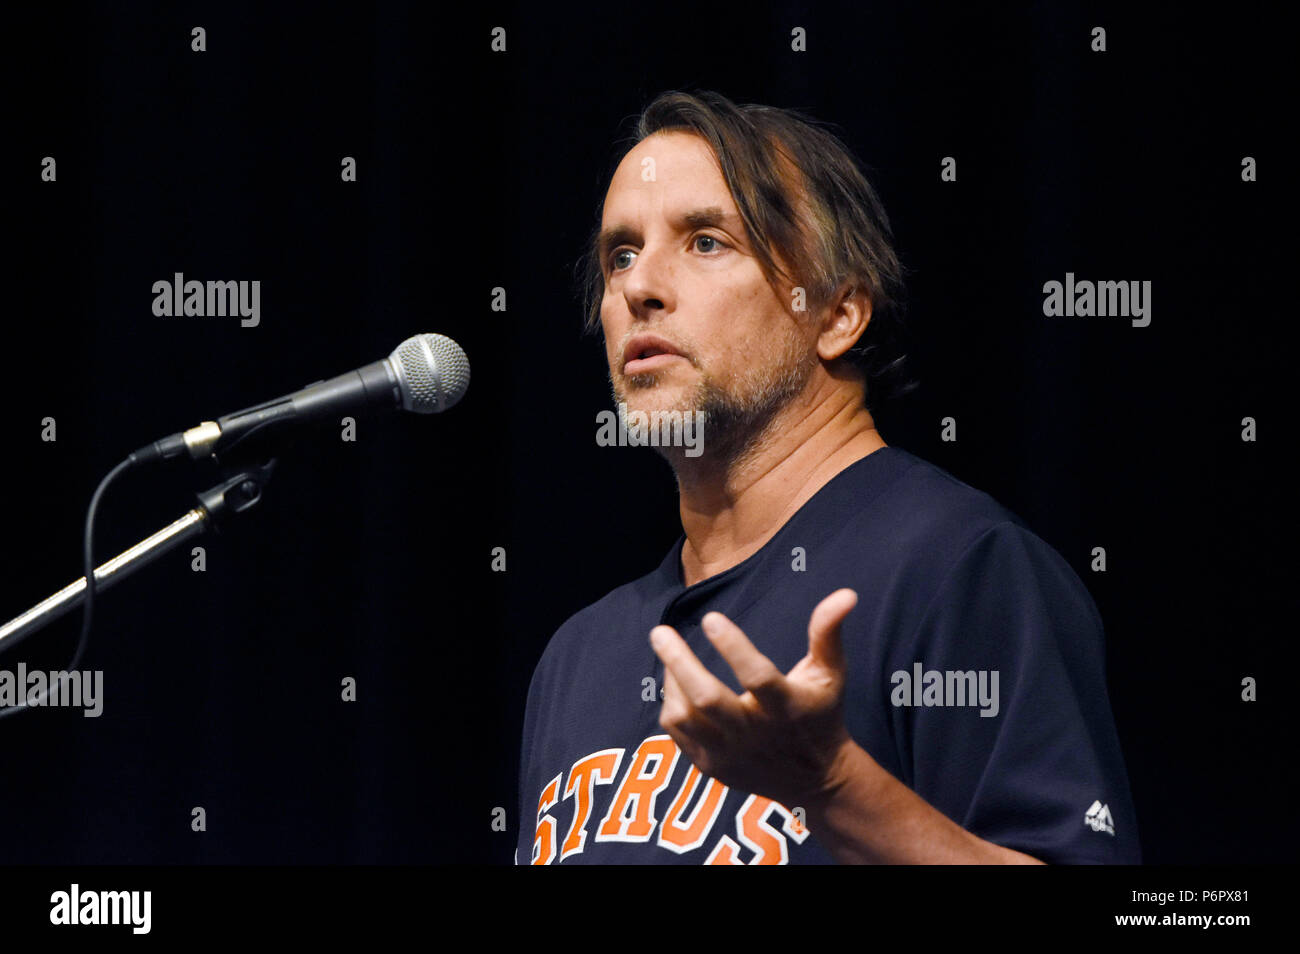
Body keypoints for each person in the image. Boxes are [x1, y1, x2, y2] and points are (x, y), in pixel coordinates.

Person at [516, 89, 1140, 864]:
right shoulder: (579, 655)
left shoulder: (961, 568)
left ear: (839, 312)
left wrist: (836, 788)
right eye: (620, 254)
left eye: (707, 241)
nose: (640, 286)